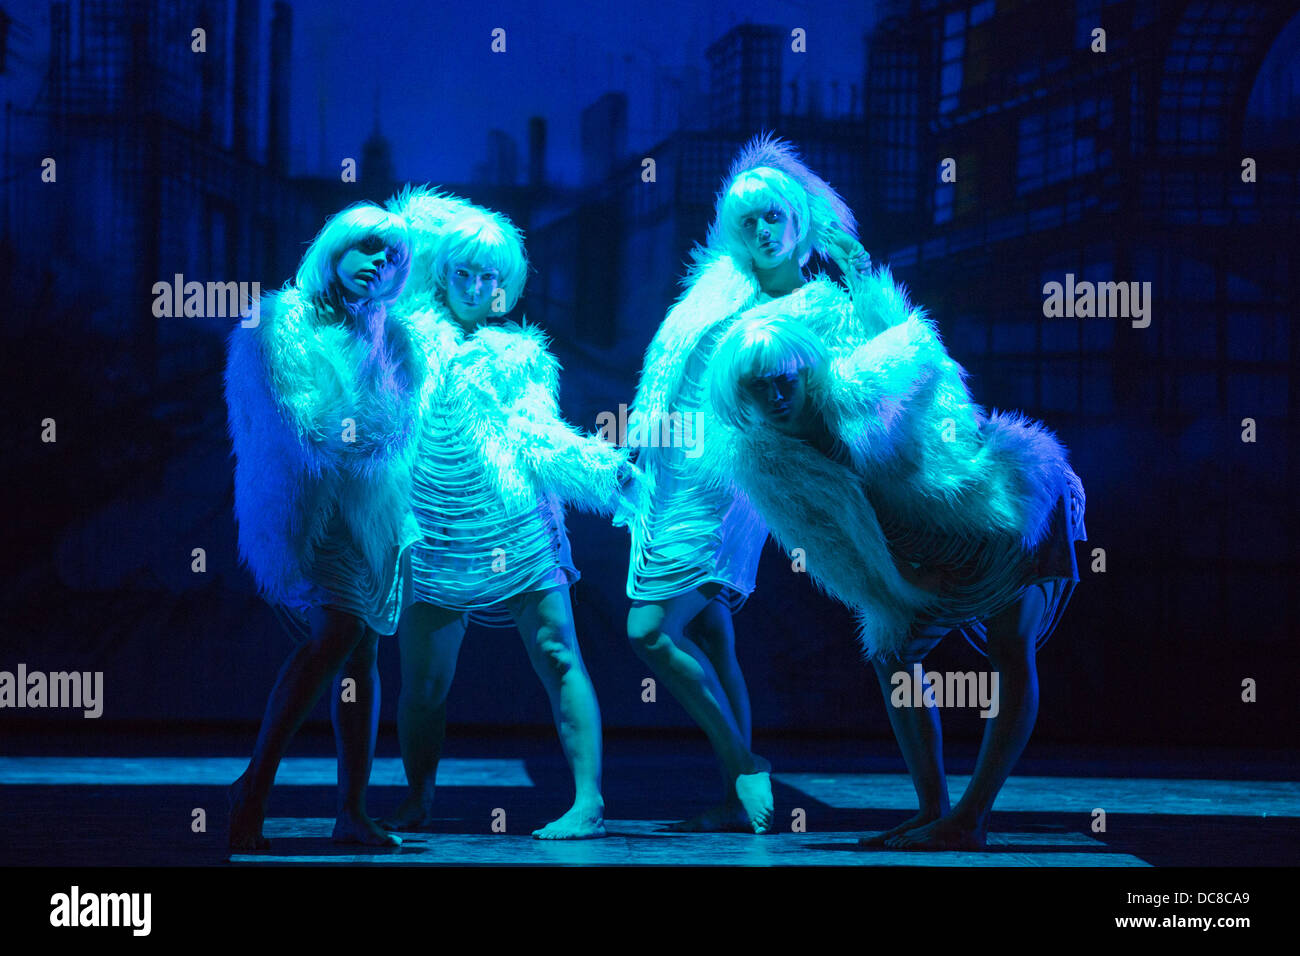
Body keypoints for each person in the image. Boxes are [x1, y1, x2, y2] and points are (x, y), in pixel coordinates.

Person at [705, 284, 1087, 850]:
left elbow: (918, 345)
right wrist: (900, 585)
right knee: (892, 654)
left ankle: (970, 817)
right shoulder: (764, 461)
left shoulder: (853, 385)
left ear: (805, 372)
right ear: (741, 396)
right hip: (932, 550)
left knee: (1011, 649)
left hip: (1008, 503)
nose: (777, 394)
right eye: (759, 387)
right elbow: (832, 553)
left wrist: (866, 279)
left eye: (785, 378)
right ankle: (934, 808)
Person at [623, 135, 869, 833]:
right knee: (712, 632)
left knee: (647, 630)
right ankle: (739, 801)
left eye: (772, 217)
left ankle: (743, 765)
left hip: (728, 480)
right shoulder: (721, 284)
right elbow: (672, 372)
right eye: (748, 221)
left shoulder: (823, 309)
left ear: (798, 221)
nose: (762, 232)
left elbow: (841, 400)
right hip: (672, 473)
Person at [381, 187, 633, 839]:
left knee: (557, 653)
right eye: (461, 272)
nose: (474, 285)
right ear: (441, 272)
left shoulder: (519, 359)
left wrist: (606, 472)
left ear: (506, 284)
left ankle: (588, 801)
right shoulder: (411, 335)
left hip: (517, 525)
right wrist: (443, 230)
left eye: (488, 275)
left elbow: (537, 434)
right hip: (434, 529)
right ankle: (418, 796)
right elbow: (404, 238)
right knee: (425, 683)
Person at [224, 203, 424, 850]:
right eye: (367, 248)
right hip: (309, 513)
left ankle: (352, 810)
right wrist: (365, 406)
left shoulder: (396, 339)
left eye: (392, 256)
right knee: (337, 633)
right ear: (333, 249)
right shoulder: (276, 322)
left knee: (360, 650)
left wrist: (371, 364)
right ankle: (254, 785)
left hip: (370, 516)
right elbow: (304, 429)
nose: (379, 264)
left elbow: (397, 430)